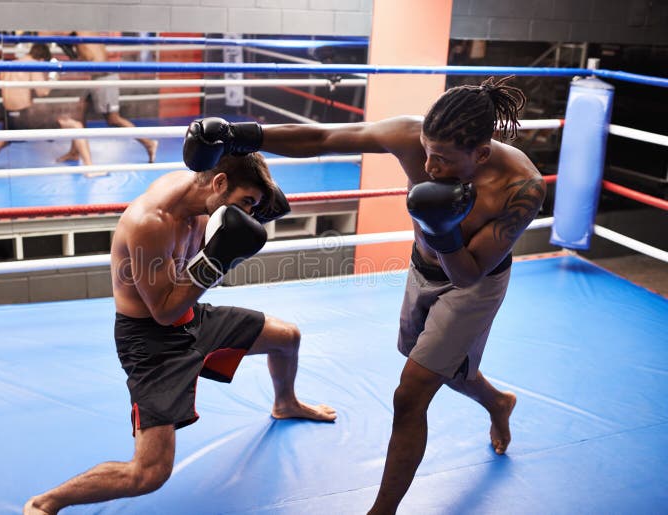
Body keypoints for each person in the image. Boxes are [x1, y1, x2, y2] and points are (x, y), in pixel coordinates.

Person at [181, 76, 546, 514]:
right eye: (427, 152)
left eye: (444, 160)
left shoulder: (521, 188)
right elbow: (324, 137)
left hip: (474, 285)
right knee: (441, 367)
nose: (430, 167)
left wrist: (442, 230)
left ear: (481, 154)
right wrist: (239, 136)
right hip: (422, 268)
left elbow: (468, 275)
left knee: (411, 393)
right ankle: (498, 402)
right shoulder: (411, 137)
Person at [23, 153, 336, 515]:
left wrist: (231, 239)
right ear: (220, 184)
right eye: (247, 202)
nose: (249, 214)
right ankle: (45, 503)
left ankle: (285, 404)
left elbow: (193, 286)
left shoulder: (204, 199)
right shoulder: (150, 222)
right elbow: (164, 310)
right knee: (150, 473)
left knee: (287, 337)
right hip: (150, 340)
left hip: (189, 315)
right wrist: (219, 259)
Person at [0, 44, 93, 171]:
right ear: (42, 60)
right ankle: (89, 169)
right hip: (25, 116)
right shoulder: (33, 64)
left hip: (9, 115)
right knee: (76, 125)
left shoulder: (9, 65)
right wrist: (52, 77)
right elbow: (42, 92)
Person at [56, 31, 159, 168]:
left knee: (113, 119)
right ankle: (74, 152)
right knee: (80, 114)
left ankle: (149, 143)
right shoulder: (85, 35)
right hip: (97, 78)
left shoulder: (81, 36)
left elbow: (90, 60)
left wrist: (70, 51)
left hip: (103, 78)